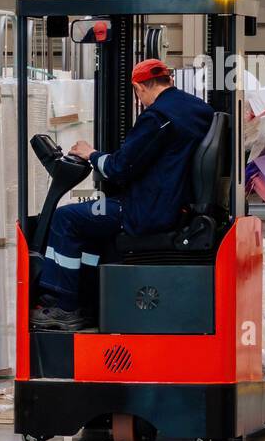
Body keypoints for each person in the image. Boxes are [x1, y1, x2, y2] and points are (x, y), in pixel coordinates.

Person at [32, 58, 215, 331]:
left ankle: (66, 306)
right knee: (91, 224)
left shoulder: (158, 118)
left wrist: (90, 154)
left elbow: (120, 168)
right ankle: (89, 301)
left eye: (137, 94)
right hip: (171, 204)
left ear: (139, 88)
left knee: (66, 218)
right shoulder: (198, 109)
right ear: (169, 81)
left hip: (145, 211)